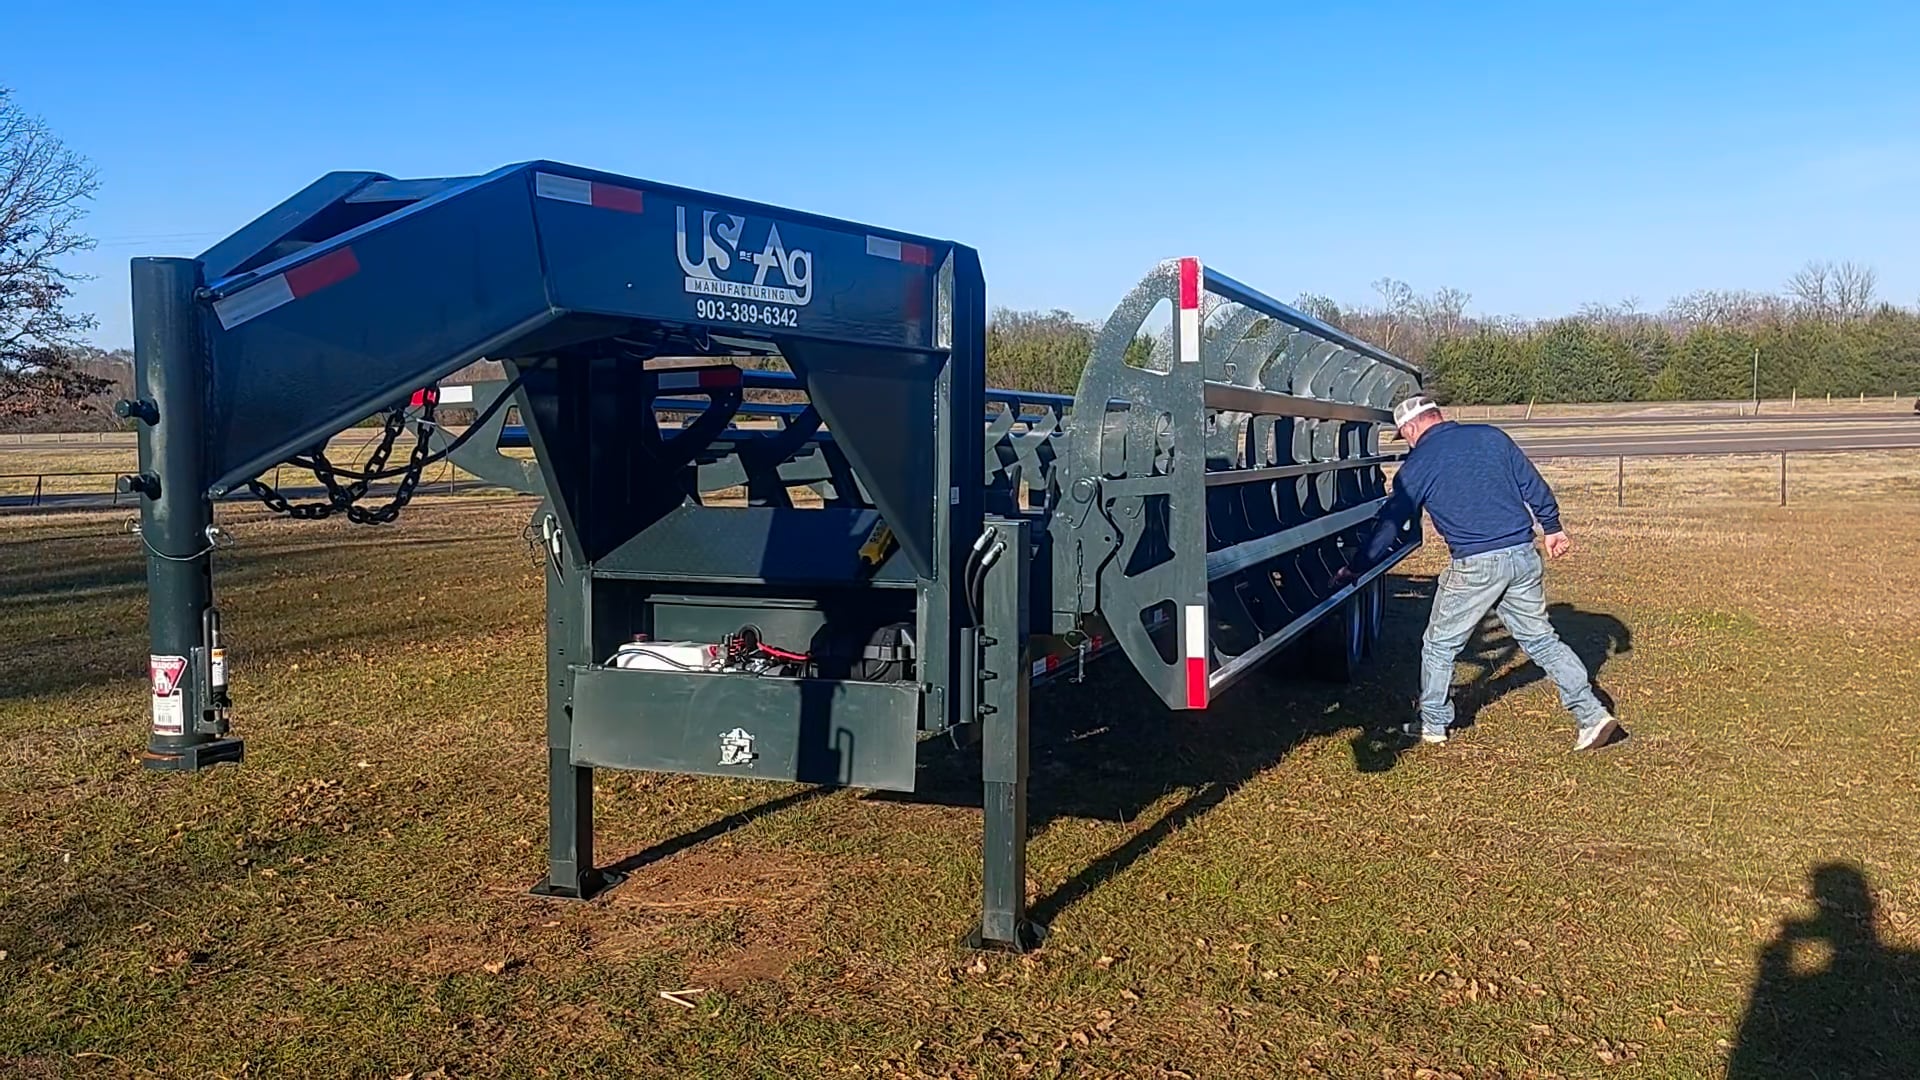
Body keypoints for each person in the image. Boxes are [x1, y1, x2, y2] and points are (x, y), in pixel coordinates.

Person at [1336, 395, 1622, 750]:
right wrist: (1552, 527)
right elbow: (1532, 484)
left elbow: (1391, 523)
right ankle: (1592, 716)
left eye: (1404, 435)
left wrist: (1357, 567)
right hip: (1523, 555)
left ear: (1410, 428)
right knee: (1541, 639)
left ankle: (1433, 724)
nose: (1407, 442)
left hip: (1476, 565)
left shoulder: (1418, 464)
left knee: (1439, 645)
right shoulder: (1492, 437)